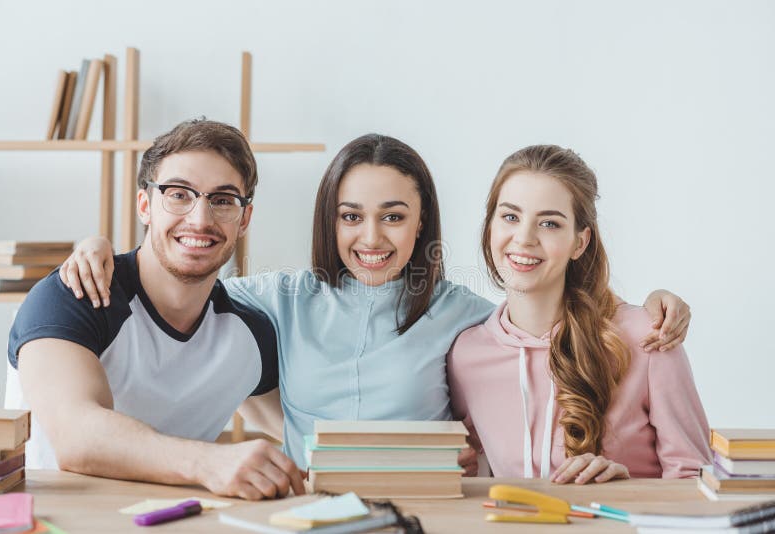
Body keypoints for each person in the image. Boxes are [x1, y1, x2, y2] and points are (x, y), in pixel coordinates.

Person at [58, 134, 693, 472]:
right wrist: (97, 247)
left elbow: (545, 307)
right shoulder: (281, 297)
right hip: (310, 512)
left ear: (422, 225)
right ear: (329, 221)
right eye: (351, 216)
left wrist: (648, 305)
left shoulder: (462, 315)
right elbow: (180, 272)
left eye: (394, 216)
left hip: (428, 515)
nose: (371, 238)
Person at [8, 119, 304, 500]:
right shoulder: (72, 296)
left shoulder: (248, 335)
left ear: (244, 218)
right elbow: (76, 435)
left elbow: (307, 432)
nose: (200, 219)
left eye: (223, 200)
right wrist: (209, 462)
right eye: (179, 194)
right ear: (145, 205)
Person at [447, 145, 710, 483]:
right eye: (510, 217)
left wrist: (626, 489)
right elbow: (465, 468)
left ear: (580, 243)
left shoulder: (648, 336)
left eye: (549, 223)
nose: (524, 238)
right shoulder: (466, 356)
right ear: (490, 227)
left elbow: (696, 480)